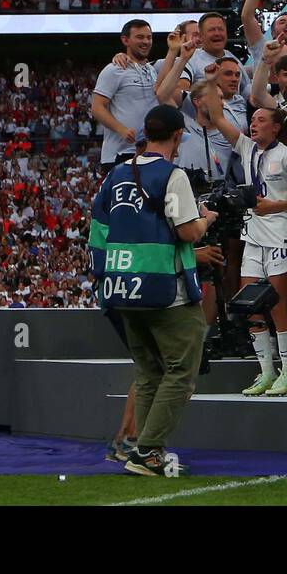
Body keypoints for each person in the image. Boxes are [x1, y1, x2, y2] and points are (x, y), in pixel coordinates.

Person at [91, 104, 215, 477]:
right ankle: (149, 451)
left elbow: (97, 231)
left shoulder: (114, 175)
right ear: (178, 136)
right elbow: (187, 231)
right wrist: (207, 217)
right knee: (180, 372)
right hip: (166, 290)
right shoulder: (172, 174)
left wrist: (105, 277)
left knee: (147, 372)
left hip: (120, 285)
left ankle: (139, 451)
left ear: (145, 133)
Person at [199, 90, 287, 395]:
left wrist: (273, 206)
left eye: (261, 120)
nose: (254, 124)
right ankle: (266, 373)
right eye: (252, 120)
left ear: (276, 127)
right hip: (254, 235)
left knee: (276, 305)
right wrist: (208, 80)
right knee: (251, 305)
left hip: (282, 233)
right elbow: (218, 116)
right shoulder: (247, 149)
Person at [91, 19, 159, 171]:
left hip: (147, 153)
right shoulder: (114, 69)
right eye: (140, 37)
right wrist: (121, 129)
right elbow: (96, 107)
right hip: (119, 154)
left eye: (149, 37)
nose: (146, 41)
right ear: (125, 40)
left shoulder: (152, 70)